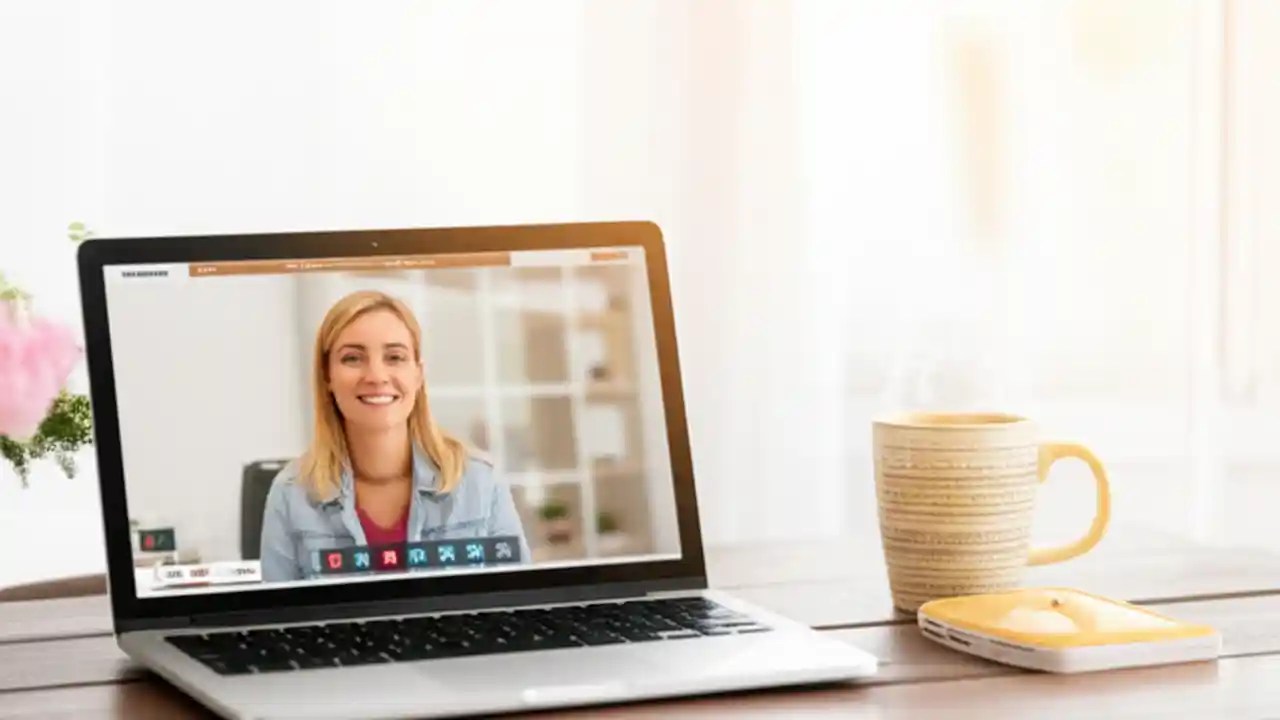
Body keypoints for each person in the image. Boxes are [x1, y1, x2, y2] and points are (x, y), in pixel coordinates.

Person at [259, 289, 529, 582]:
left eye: (395, 357)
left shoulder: (480, 481)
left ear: (418, 374)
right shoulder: (290, 494)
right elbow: (277, 620)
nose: (376, 375)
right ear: (327, 376)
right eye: (352, 358)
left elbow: (518, 604)